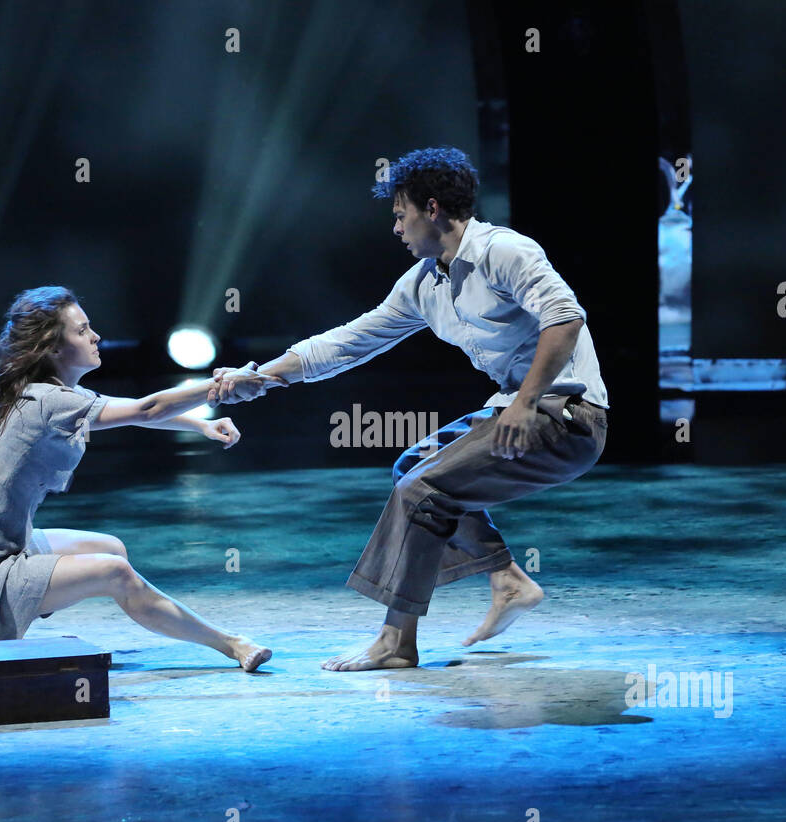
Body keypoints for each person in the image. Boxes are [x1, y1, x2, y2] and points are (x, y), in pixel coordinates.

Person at [209, 146, 609, 671]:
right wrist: (261, 377)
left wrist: (527, 401)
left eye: (401, 215)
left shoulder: (504, 251)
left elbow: (565, 317)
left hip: (567, 415)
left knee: (421, 489)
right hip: (517, 408)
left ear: (433, 208)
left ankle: (396, 642)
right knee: (411, 467)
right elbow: (349, 342)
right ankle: (507, 580)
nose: (396, 229)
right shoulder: (424, 283)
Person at [0, 285, 282, 671]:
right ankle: (231, 644)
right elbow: (147, 408)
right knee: (115, 572)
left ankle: (29, 609)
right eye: (82, 330)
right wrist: (218, 390)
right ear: (53, 348)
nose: (95, 336)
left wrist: (201, 425)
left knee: (111, 549)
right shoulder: (48, 401)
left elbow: (132, 411)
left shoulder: (49, 395)